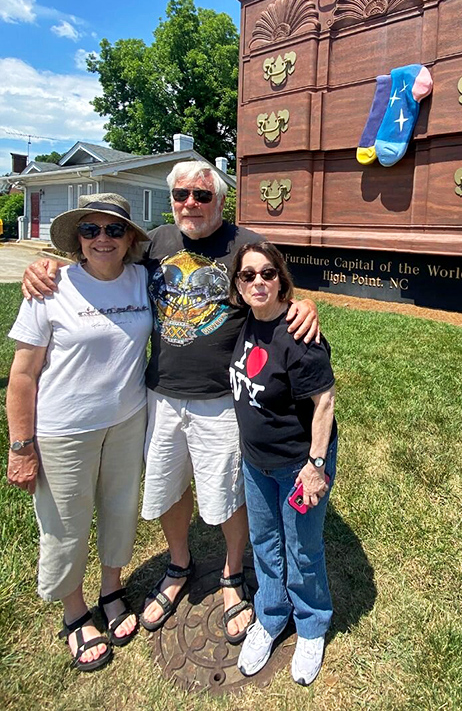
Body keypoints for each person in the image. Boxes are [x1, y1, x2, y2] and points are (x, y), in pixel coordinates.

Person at [22, 160, 319, 645]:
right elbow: (101, 257)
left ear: (221, 201)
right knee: (167, 486)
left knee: (225, 493)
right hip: (159, 395)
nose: (190, 204)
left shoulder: (246, 244)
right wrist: (49, 265)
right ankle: (179, 564)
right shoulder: (154, 242)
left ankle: (230, 575)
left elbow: (280, 289)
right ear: (172, 199)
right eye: (181, 195)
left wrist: (306, 305)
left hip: (223, 396)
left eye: (202, 196)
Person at [7, 194, 151, 672]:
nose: (102, 239)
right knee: (65, 525)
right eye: (90, 231)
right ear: (78, 240)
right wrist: (22, 446)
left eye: (113, 230)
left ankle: (112, 588)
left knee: (120, 510)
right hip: (63, 430)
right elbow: (23, 375)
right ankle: (75, 614)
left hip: (128, 420)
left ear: (130, 239)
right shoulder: (51, 287)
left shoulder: (142, 279)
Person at [228, 241, 337, 686]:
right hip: (257, 462)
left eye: (268, 274)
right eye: (248, 274)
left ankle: (312, 625)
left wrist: (315, 465)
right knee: (264, 542)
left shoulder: (300, 335)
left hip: (298, 463)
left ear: (281, 280)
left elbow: (325, 401)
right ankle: (271, 617)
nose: (258, 282)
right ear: (237, 284)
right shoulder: (243, 322)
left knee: (303, 549)